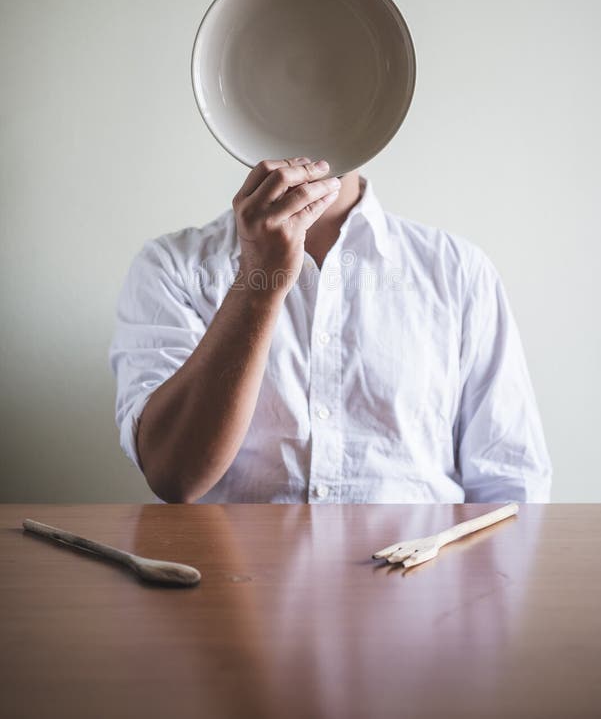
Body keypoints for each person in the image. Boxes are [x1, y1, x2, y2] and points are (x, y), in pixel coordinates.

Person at [108, 157, 552, 504]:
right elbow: (173, 475)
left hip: (423, 588)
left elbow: (510, 485)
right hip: (233, 588)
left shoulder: (458, 271)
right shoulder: (171, 268)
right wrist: (258, 282)